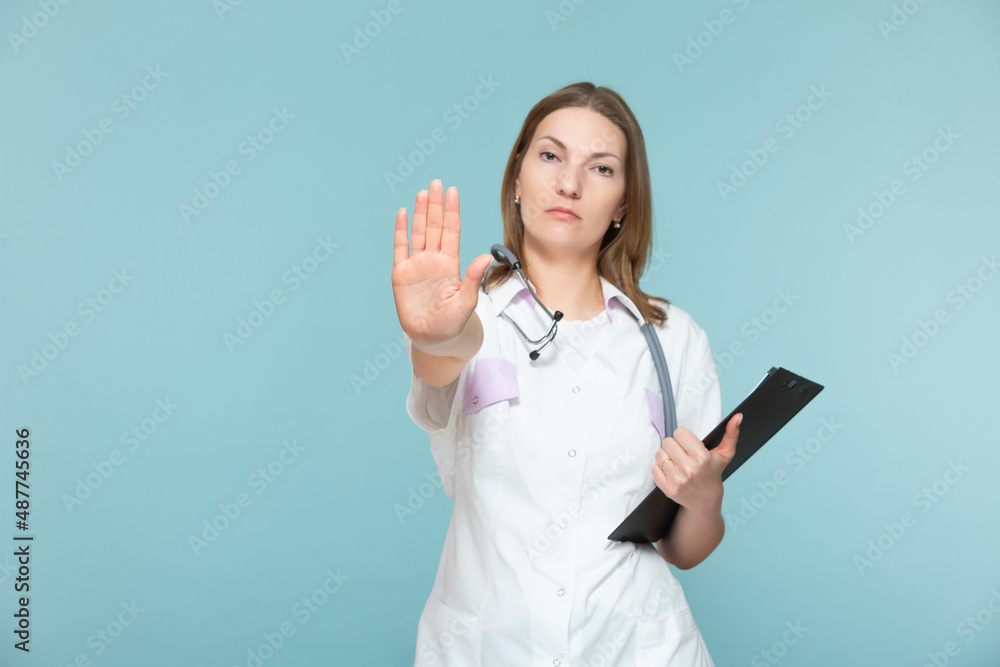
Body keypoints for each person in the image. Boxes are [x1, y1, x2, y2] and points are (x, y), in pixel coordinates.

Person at [391, 81, 741, 667]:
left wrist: (705, 499)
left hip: (640, 648)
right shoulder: (465, 313)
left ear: (624, 204)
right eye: (550, 156)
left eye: (601, 169)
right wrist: (436, 337)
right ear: (517, 178)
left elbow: (683, 548)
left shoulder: (674, 338)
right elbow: (440, 370)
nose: (570, 183)